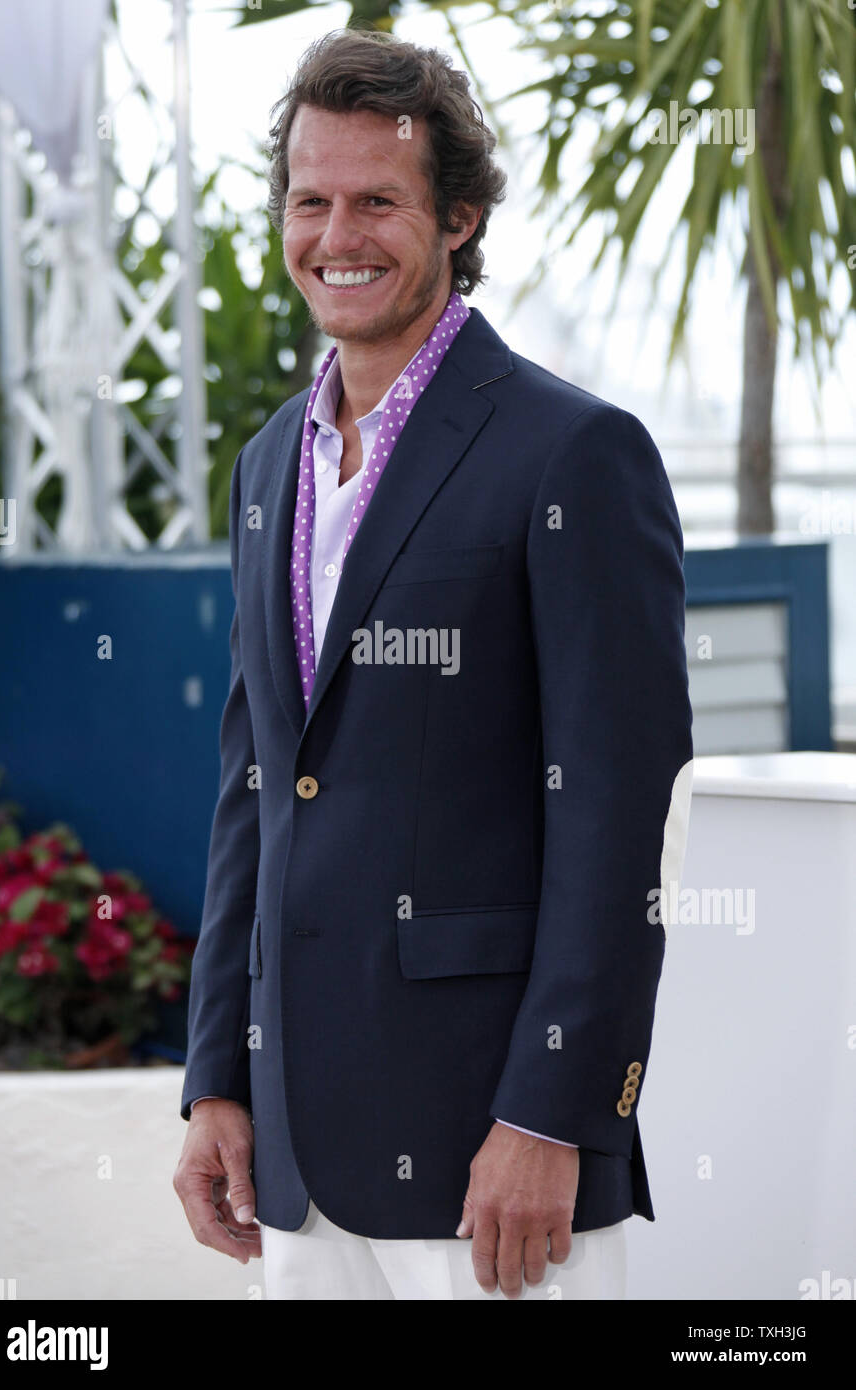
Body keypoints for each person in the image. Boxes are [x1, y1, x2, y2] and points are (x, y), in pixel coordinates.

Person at [173, 27, 693, 1301]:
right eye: (310, 200)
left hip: (490, 1161)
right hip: (293, 1163)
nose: (335, 234)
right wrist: (216, 1081)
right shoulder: (262, 469)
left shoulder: (575, 455)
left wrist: (556, 1113)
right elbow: (255, 789)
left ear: (456, 217)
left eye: (377, 202)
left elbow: (620, 820)